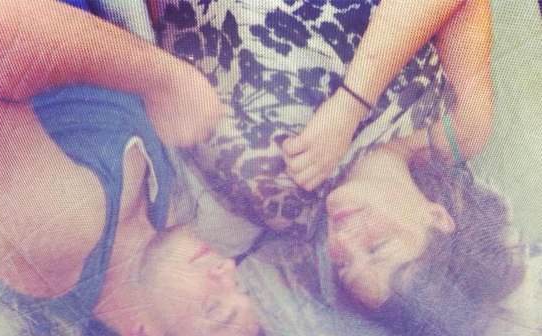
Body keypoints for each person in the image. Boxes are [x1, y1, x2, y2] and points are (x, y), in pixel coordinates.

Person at [0, 0, 263, 336]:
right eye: (239, 287)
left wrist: (165, 80)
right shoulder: (156, 221)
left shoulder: (60, 233)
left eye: (215, 308)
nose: (227, 269)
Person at [153, 0, 493, 237]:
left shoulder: (284, 197)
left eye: (343, 267)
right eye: (376, 248)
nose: (345, 243)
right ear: (436, 217)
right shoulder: (457, 126)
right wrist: (350, 104)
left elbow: (177, 76)